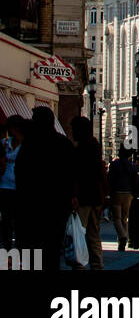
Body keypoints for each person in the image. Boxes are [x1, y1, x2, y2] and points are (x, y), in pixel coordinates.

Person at [14, 106, 77, 268]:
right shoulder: (64, 144)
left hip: (31, 207)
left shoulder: (29, 145)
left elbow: (20, 174)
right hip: (56, 208)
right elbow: (72, 176)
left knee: (28, 252)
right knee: (51, 251)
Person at [69, 116, 106, 270]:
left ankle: (79, 264)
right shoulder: (95, 147)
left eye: (73, 129)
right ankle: (97, 264)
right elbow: (101, 174)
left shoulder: (80, 150)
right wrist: (103, 197)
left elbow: (75, 175)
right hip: (95, 197)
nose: (72, 132)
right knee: (94, 234)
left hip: (82, 197)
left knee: (78, 233)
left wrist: (74, 195)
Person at [0, 115, 25, 249]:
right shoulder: (4, 143)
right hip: (4, 187)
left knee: (20, 222)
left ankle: (22, 255)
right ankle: (8, 253)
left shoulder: (26, 146)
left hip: (19, 187)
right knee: (6, 222)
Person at [108, 147, 138, 252]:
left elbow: (110, 179)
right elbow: (135, 181)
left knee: (116, 218)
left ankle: (122, 236)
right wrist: (134, 194)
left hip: (117, 193)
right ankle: (122, 244)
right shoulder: (132, 165)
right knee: (124, 219)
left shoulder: (114, 164)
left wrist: (109, 193)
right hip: (128, 194)